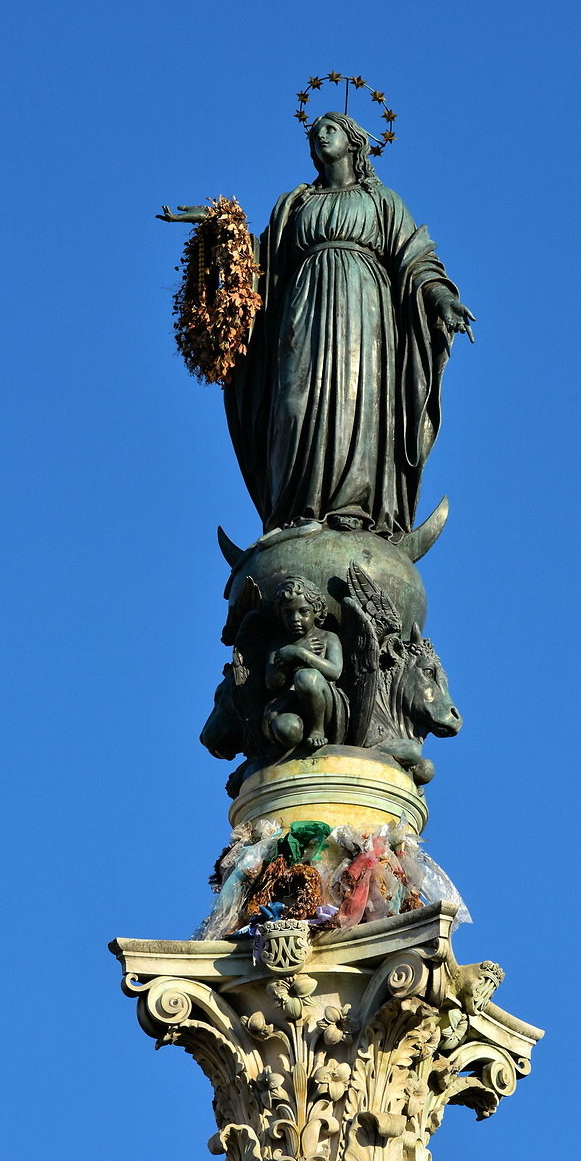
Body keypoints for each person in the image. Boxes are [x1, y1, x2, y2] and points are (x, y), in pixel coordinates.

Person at [161, 112, 474, 535]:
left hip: (365, 311)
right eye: (314, 133)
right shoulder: (296, 204)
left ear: (353, 141)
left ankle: (355, 507)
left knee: (355, 403)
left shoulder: (382, 201)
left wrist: (441, 298)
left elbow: (415, 258)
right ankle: (293, 507)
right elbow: (262, 265)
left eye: (330, 129)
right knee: (292, 402)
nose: (319, 137)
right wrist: (223, 227)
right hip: (303, 307)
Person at [263, 578, 345, 753]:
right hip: (290, 704)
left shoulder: (328, 637)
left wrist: (300, 653)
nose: (295, 618)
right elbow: (272, 683)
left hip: (324, 703)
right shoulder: (278, 645)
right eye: (288, 613)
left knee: (306, 676)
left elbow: (335, 671)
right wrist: (290, 656)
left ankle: (317, 729)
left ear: (317, 611)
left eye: (303, 612)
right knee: (286, 730)